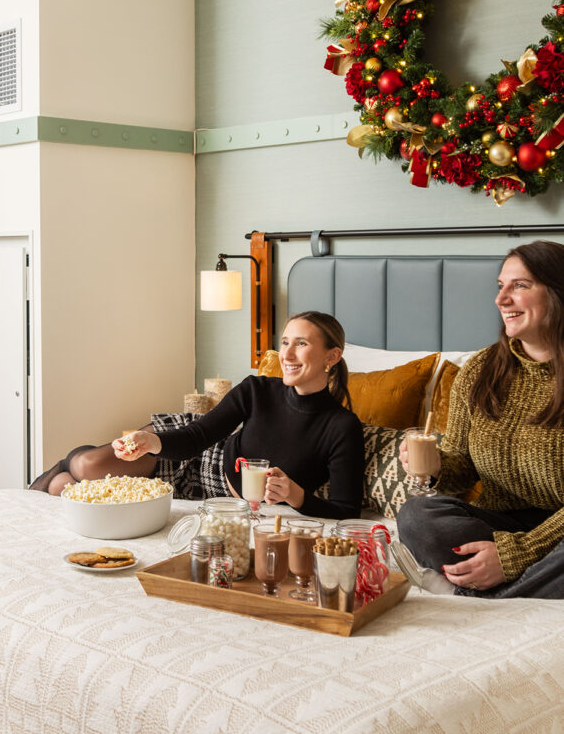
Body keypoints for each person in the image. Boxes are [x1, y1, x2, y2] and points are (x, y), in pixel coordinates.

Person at [31, 311, 365, 520]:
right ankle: (36, 493)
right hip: (194, 450)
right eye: (285, 342)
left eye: (301, 344)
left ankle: (48, 491)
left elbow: (347, 511)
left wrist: (296, 495)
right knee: (86, 466)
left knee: (64, 488)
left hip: (211, 492)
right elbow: (197, 437)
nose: (286, 354)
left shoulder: (341, 427)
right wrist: (150, 440)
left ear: (332, 356)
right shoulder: (257, 389)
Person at [394, 240, 564, 599]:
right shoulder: (481, 371)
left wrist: (516, 555)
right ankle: (522, 585)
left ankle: (489, 596)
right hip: (498, 522)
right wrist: (437, 466)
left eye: (520, 285)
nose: (502, 300)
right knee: (417, 516)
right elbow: (461, 468)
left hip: (558, 532)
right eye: (500, 286)